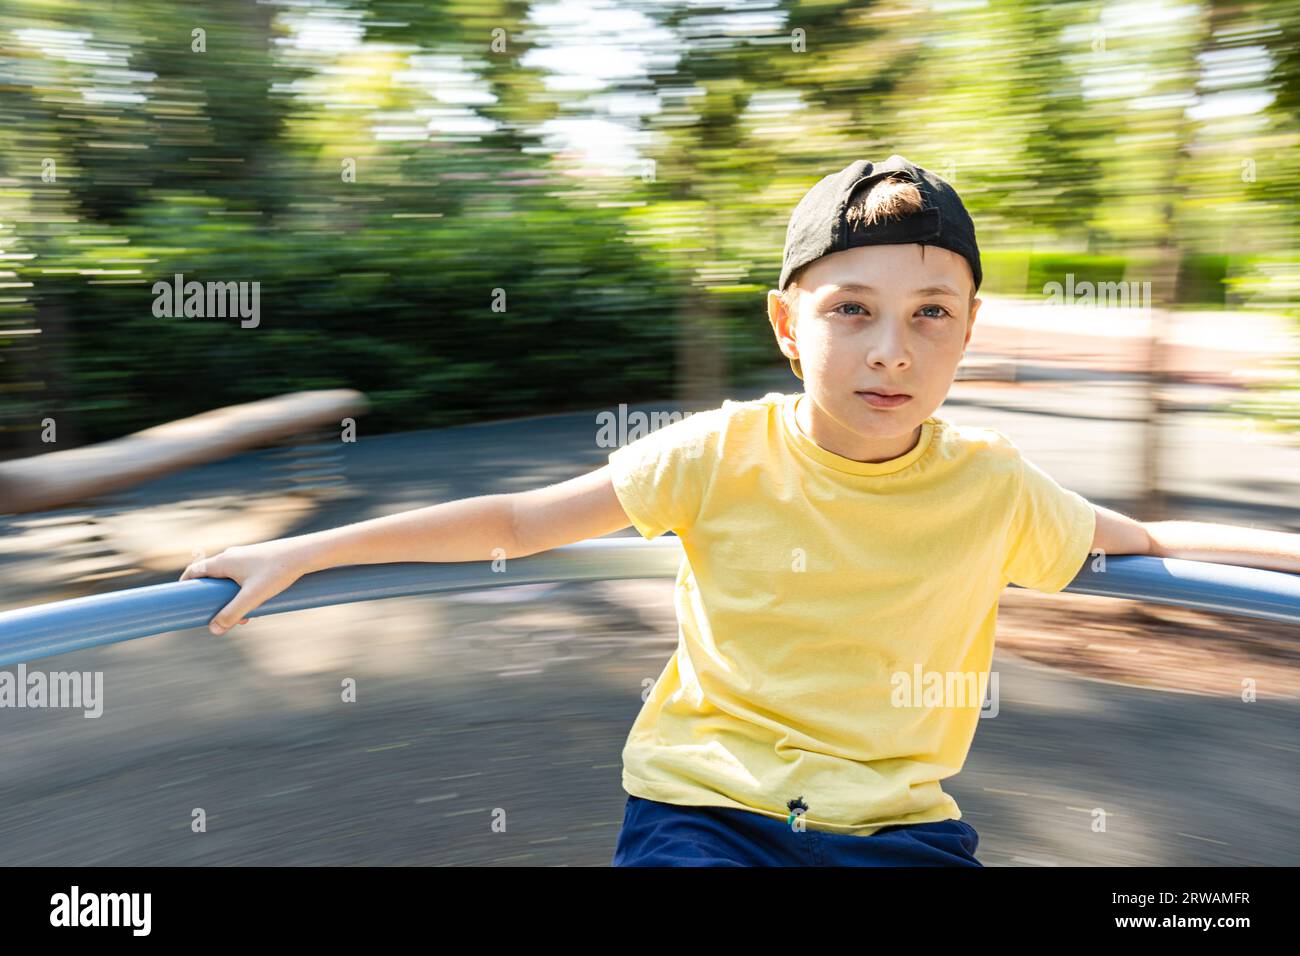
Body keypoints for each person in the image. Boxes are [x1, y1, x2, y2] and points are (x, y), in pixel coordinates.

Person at [179, 155, 1300, 867]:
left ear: (966, 330)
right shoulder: (719, 451)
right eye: (850, 308)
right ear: (785, 322)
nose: (888, 348)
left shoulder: (991, 481)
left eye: (929, 314)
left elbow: (1148, 541)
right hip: (703, 812)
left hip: (896, 830)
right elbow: (520, 521)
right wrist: (304, 549)